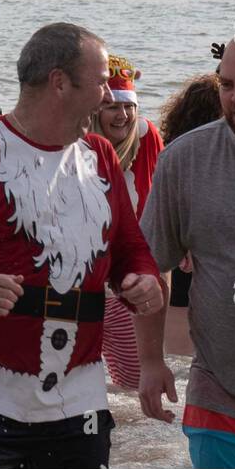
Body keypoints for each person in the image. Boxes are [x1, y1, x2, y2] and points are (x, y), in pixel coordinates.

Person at [0, 23, 164, 468]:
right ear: (59, 81)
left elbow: (128, 248)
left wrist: (142, 279)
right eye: (101, 82)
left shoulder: (99, 155)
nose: (107, 96)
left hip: (80, 403)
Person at [136, 28, 235, 468]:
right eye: (227, 84)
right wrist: (150, 360)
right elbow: (150, 265)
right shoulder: (185, 160)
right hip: (223, 407)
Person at [88, 55, 163, 391]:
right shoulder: (76, 146)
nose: (122, 115)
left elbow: (163, 199)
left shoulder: (147, 138)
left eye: (128, 106)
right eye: (112, 106)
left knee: (130, 380)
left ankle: (131, 440)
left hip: (132, 274)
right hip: (85, 277)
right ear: (94, 111)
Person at [156, 71, 223, 356]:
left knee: (176, 355)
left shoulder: (171, 153)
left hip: (174, 261)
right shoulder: (224, 155)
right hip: (209, 264)